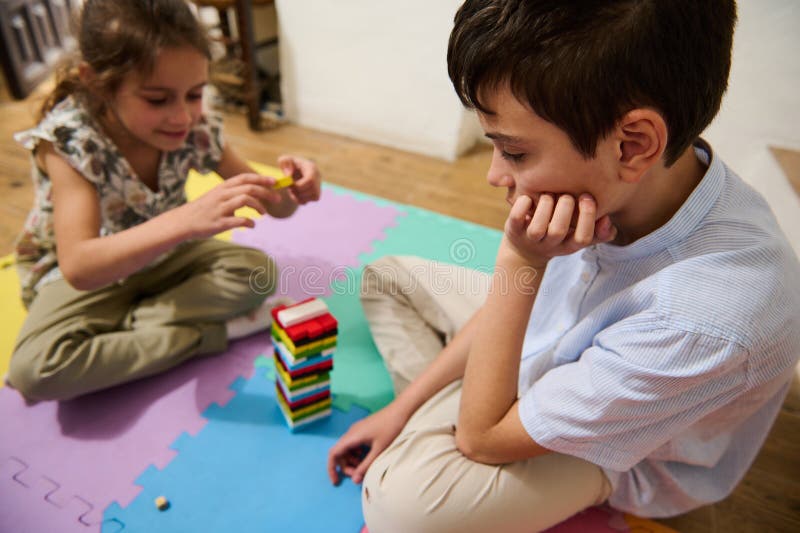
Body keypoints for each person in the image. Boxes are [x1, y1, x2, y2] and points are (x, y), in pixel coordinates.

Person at [327, 1, 800, 531]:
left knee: (402, 511)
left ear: (634, 144)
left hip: (619, 452)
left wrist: (520, 259)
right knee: (388, 276)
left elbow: (480, 442)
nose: (494, 176)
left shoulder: (705, 316)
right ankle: (472, 404)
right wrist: (403, 409)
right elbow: (535, 311)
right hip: (557, 349)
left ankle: (480, 409)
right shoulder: (632, 185)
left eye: (514, 152)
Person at [6, 0, 321, 402]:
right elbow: (80, 267)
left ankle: (122, 329)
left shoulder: (198, 128)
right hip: (91, 276)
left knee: (256, 272)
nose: (183, 117)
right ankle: (210, 333)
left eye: (194, 94)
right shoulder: (71, 142)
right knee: (35, 371)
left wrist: (293, 188)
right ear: (98, 83)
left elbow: (275, 205)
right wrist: (185, 220)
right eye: (158, 99)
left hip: (168, 259)